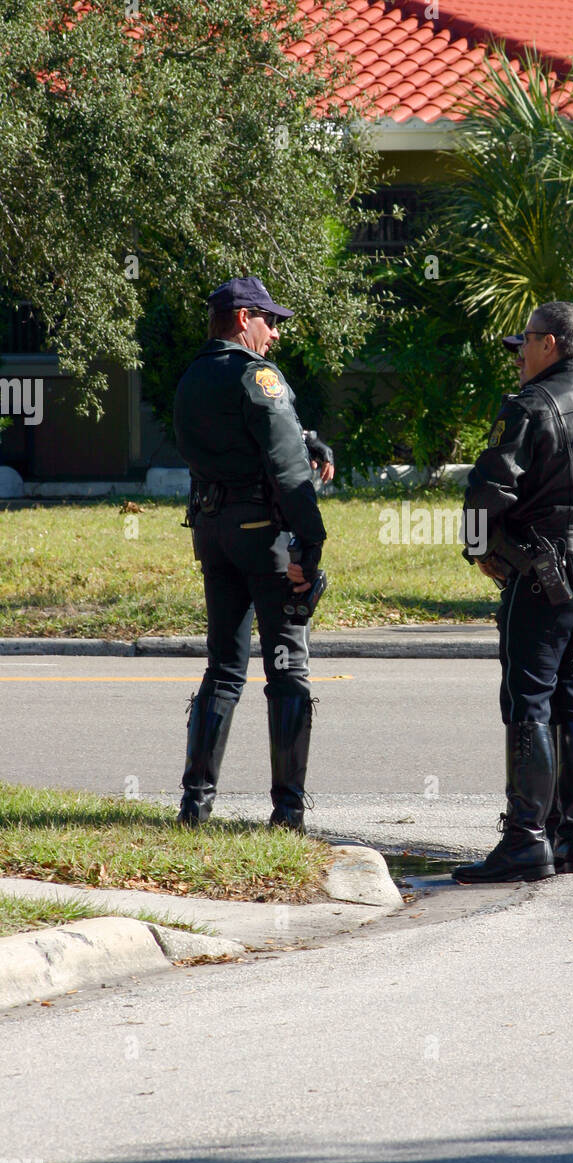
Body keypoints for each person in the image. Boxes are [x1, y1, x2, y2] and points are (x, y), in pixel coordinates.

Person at [453, 300, 573, 884]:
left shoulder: (531, 406)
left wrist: (477, 551)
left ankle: (525, 841)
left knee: (528, 702)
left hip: (546, 580)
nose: (518, 355)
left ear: (552, 344)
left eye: (526, 342)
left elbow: (483, 491)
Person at [172, 276, 334, 832]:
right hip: (263, 535)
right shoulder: (256, 375)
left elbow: (245, 439)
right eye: (271, 322)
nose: (276, 335)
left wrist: (304, 435)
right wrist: (310, 542)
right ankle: (287, 813)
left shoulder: (193, 376)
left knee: (222, 668)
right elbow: (288, 469)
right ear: (244, 319)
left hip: (213, 533)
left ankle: (195, 807)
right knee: (287, 666)